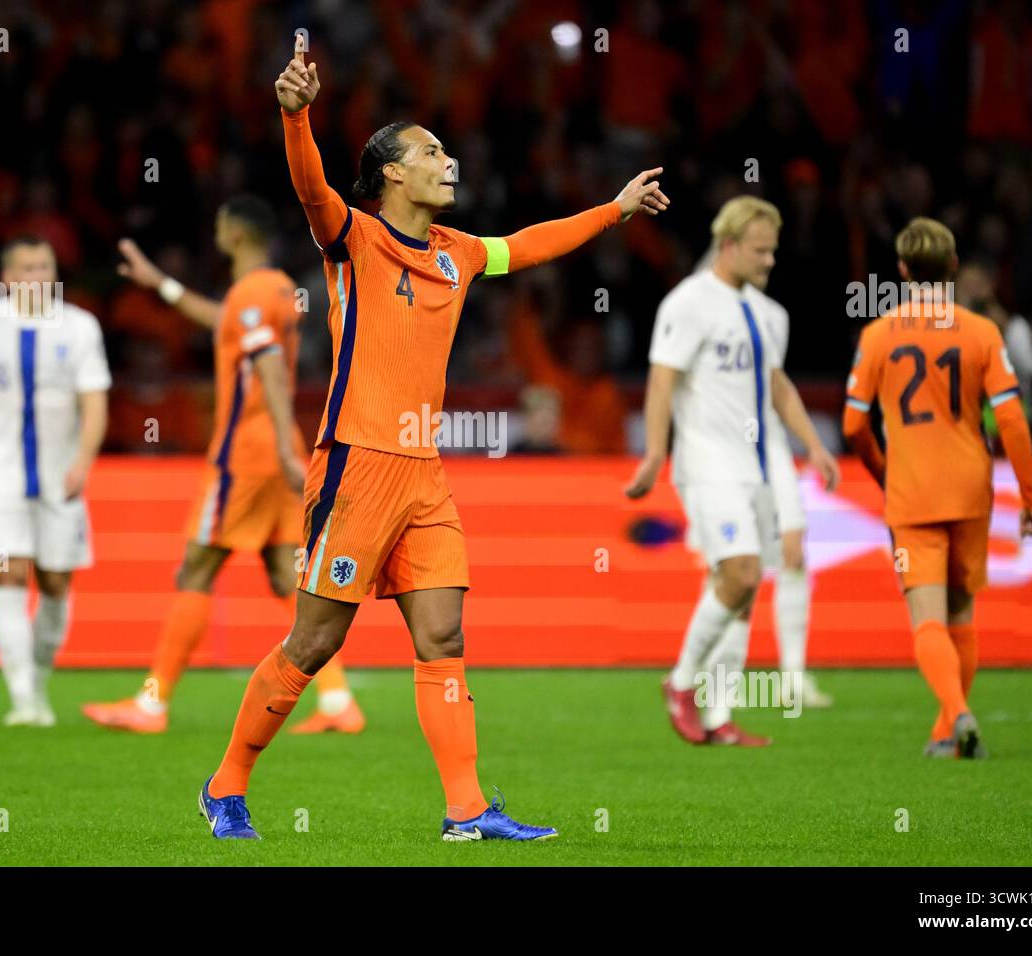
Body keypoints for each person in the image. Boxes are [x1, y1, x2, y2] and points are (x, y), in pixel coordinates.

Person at [198, 35, 668, 841]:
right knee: (313, 640)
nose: (449, 161)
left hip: (424, 473)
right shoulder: (350, 237)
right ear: (393, 173)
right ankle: (226, 783)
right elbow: (310, 188)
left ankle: (466, 811)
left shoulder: (456, 253)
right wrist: (297, 117)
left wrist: (613, 211)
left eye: (447, 150)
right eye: (431, 152)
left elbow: (530, 243)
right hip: (355, 464)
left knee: (443, 635)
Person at [82, 198, 364, 735]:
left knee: (197, 568)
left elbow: (268, 367)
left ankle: (152, 702)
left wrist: (282, 446)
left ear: (234, 234)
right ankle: (337, 702)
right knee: (287, 576)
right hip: (272, 451)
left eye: (219, 226)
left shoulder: (253, 292)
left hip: (246, 456)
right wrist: (160, 284)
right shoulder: (274, 288)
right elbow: (229, 323)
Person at [626, 197, 840, 746]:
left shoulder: (766, 314)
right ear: (729, 245)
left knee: (741, 593)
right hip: (707, 463)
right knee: (742, 573)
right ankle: (680, 684)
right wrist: (655, 452)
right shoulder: (690, 302)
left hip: (756, 466)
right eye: (760, 251)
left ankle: (718, 717)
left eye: (773, 250)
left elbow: (778, 385)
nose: (770, 262)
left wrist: (813, 445)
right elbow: (661, 379)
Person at [842, 217, 1032, 758]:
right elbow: (1014, 421)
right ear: (954, 266)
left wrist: (883, 470)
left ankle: (955, 715)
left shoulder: (878, 335)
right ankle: (946, 733)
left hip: (911, 493)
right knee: (960, 615)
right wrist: (1029, 498)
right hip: (970, 489)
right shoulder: (982, 333)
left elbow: (851, 425)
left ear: (903, 271)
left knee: (926, 617)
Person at [0, 236, 110, 726]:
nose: (39, 277)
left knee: (55, 581)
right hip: (0, 472)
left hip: (60, 476)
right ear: (8, 277)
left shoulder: (79, 327)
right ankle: (23, 698)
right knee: (9, 573)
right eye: (28, 268)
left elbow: (94, 401)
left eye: (46, 267)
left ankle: (36, 680)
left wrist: (83, 462)